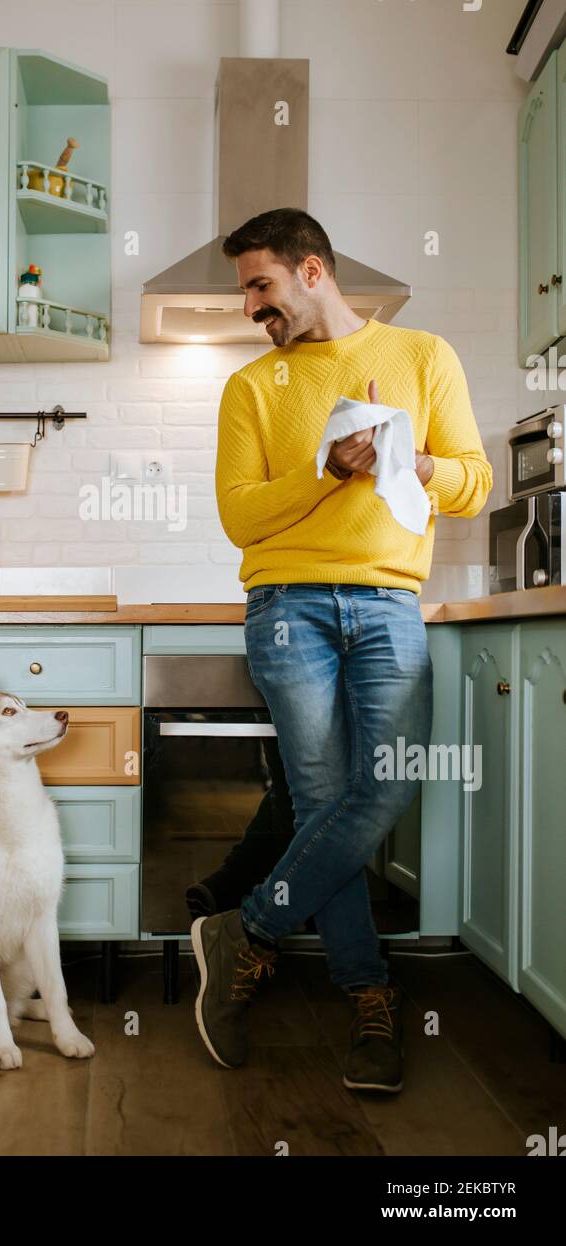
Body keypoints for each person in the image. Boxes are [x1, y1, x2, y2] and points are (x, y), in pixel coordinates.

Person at [192, 207, 492, 1093]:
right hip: (286, 606)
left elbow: (473, 483)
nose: (252, 306)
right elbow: (240, 515)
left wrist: (415, 460)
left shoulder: (423, 357)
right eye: (247, 289)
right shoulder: (251, 389)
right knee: (326, 800)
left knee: (386, 782)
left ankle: (246, 932)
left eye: (261, 285)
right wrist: (326, 467)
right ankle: (371, 998)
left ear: (313, 270)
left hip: (391, 602)